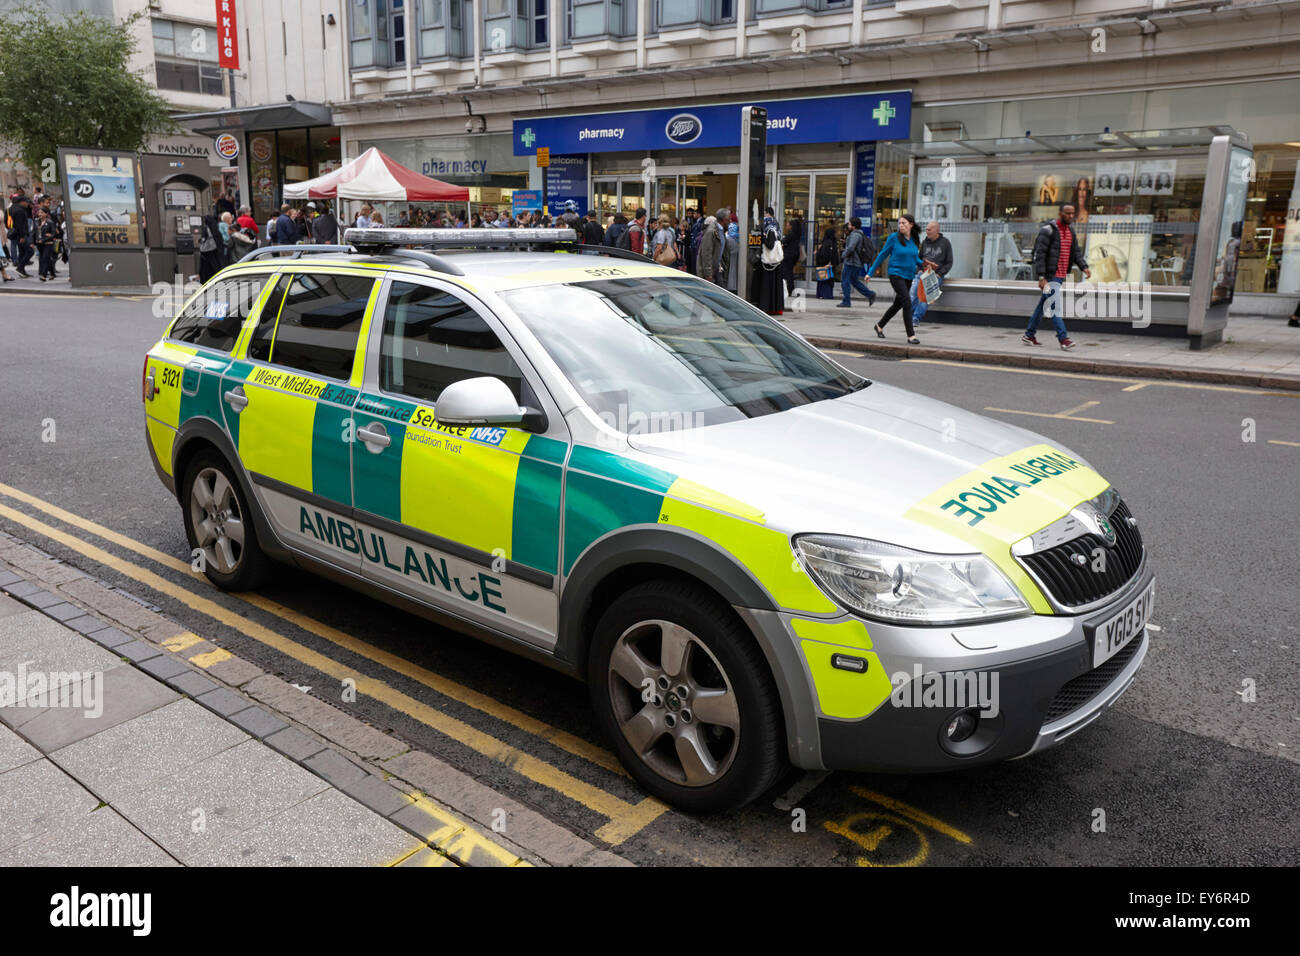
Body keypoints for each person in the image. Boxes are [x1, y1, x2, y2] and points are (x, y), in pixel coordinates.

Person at [1024, 203, 1090, 350]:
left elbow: (1076, 253)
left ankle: (1029, 335)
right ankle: (1063, 339)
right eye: (1068, 213)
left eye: (1073, 213)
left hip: (1060, 276)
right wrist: (1041, 277)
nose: (1071, 216)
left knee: (1043, 306)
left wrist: (1084, 267)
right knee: (1054, 306)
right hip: (1049, 276)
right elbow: (1039, 255)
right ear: (1060, 213)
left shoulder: (1070, 232)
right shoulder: (1048, 230)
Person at [867, 213, 922, 344]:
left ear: (911, 225)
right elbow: (882, 255)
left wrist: (926, 265)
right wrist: (870, 272)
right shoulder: (893, 238)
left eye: (904, 223)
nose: (901, 225)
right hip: (895, 274)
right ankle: (911, 336)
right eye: (900, 223)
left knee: (898, 304)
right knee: (907, 302)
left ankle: (879, 326)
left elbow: (914, 258)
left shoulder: (914, 239)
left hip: (908, 275)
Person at [911, 220, 953, 325]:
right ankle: (910, 315)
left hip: (935, 274)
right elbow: (919, 259)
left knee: (926, 295)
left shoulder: (945, 243)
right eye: (926, 229)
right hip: (922, 272)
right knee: (913, 292)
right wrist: (919, 269)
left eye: (929, 229)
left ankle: (916, 318)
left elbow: (949, 262)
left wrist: (940, 274)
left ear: (937, 230)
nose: (927, 231)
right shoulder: (925, 242)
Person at [751, 206, 785, 315]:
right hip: (775, 262)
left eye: (765, 214)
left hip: (770, 262)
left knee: (768, 286)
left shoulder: (770, 228)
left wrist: (762, 237)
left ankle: (769, 307)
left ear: (768, 214)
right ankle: (775, 307)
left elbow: (770, 245)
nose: (764, 217)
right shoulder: (776, 226)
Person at [837, 217, 876, 308]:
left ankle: (846, 301)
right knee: (854, 281)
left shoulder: (855, 235)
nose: (848, 226)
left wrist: (843, 255)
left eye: (850, 224)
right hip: (856, 262)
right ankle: (870, 294)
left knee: (845, 281)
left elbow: (851, 248)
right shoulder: (859, 234)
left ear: (853, 226)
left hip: (851, 262)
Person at [814, 226, 840, 299]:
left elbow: (823, 254)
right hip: (830, 265)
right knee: (828, 279)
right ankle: (827, 294)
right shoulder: (833, 243)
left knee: (823, 279)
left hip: (825, 265)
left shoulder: (826, 242)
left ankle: (822, 294)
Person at [197, 213, 225, 281]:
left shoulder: (206, 228)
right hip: (217, 252)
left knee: (206, 269)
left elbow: (203, 239)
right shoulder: (216, 228)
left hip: (207, 253)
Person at [33, 207, 58, 281]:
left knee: (44, 258)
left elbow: (53, 234)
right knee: (47, 259)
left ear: (46, 214)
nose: (39, 214)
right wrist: (33, 242)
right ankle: (52, 273)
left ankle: (43, 275)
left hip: (48, 243)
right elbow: (34, 232)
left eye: (42, 212)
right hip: (39, 244)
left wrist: (44, 239)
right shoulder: (36, 222)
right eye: (39, 212)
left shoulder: (50, 222)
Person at [781, 217, 803, 296]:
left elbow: (783, 242)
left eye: (787, 225)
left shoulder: (790, 235)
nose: (786, 226)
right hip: (794, 255)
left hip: (789, 255)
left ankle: (790, 290)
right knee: (789, 272)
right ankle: (791, 289)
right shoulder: (796, 234)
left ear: (791, 226)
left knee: (787, 273)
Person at [697, 215, 721, 283]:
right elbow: (706, 254)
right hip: (706, 272)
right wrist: (708, 273)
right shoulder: (709, 234)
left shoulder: (704, 234)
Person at [723, 216, 740, 293]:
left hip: (729, 248)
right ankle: (733, 286)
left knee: (730, 269)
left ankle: (730, 286)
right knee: (734, 269)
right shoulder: (737, 228)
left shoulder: (729, 228)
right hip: (735, 249)